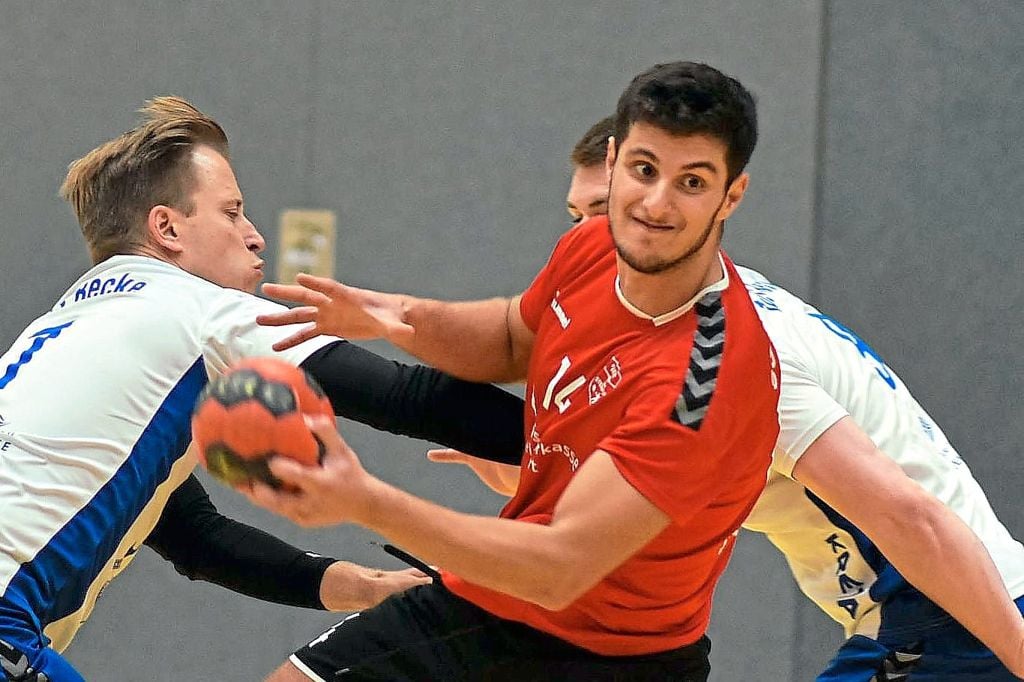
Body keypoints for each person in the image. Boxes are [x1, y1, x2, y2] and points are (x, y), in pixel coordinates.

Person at [436, 115, 1024, 680]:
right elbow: (651, 501)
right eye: (580, 216)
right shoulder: (675, 335)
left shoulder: (742, 356)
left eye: (601, 210)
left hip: (953, 618)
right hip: (932, 617)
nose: (599, 232)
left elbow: (913, 518)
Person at [247, 61, 781, 682]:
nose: (656, 204)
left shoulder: (703, 382)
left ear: (731, 195)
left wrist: (366, 501)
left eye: (692, 182)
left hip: (613, 655)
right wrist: (388, 313)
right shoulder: (594, 246)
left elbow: (560, 567)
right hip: (495, 601)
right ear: (612, 163)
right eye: (644, 170)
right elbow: (509, 336)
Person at [0, 96, 525, 682]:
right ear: (166, 228)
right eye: (232, 213)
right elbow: (405, 398)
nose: (254, 237)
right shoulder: (199, 309)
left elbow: (195, 537)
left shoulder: (61, 331)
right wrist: (589, 443)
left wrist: (362, 585)